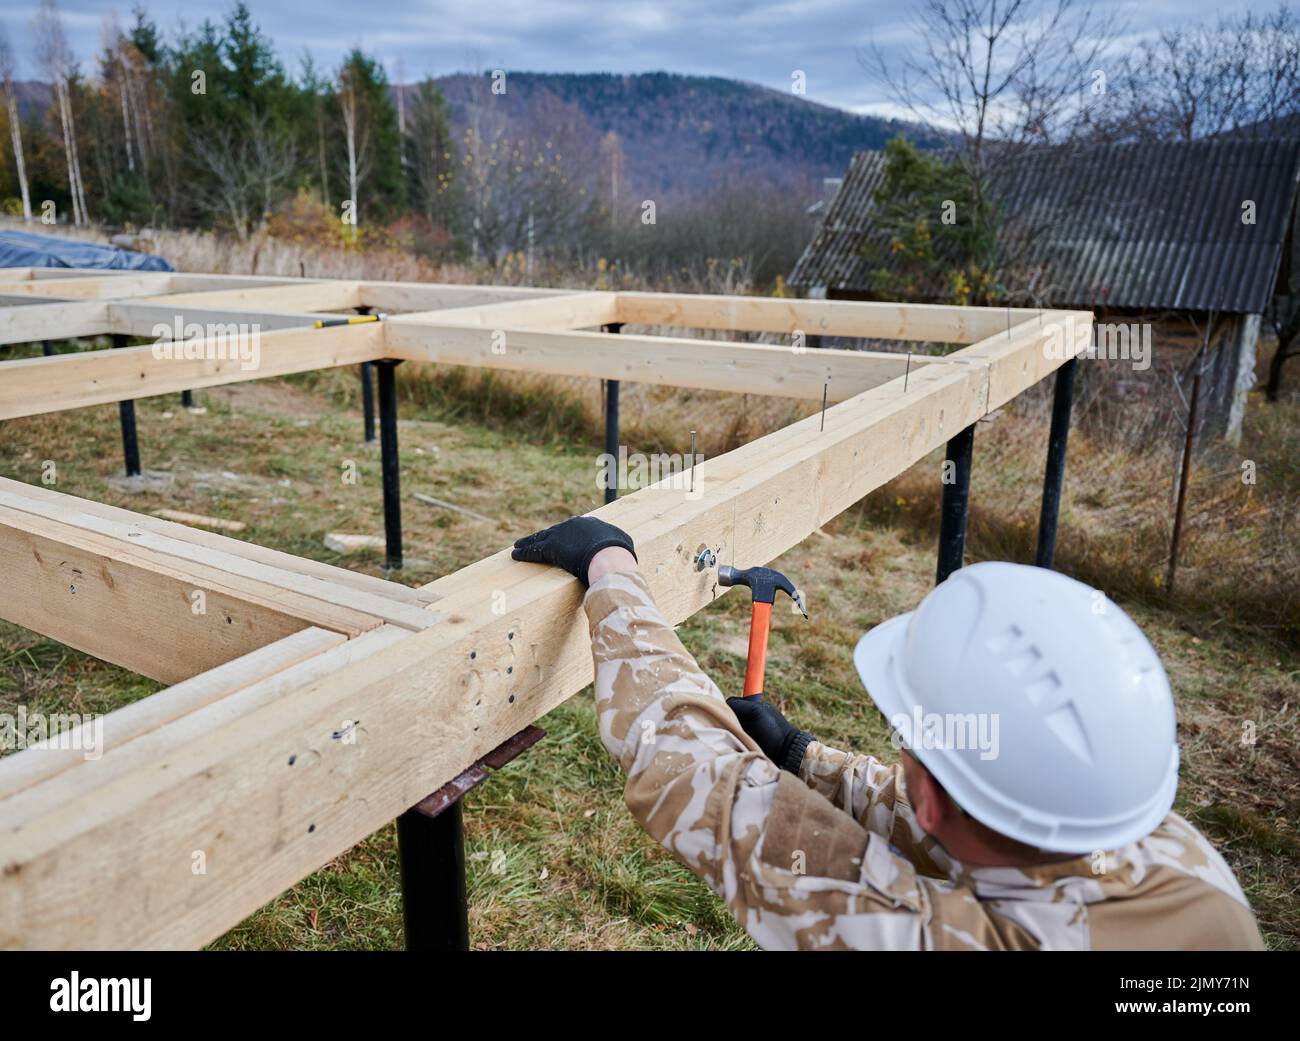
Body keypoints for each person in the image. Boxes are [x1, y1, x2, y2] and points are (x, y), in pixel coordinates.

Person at [512, 516, 1265, 950]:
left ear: (932, 799)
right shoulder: (1170, 856)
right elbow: (956, 822)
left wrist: (611, 571)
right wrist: (800, 754)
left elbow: (700, 781)